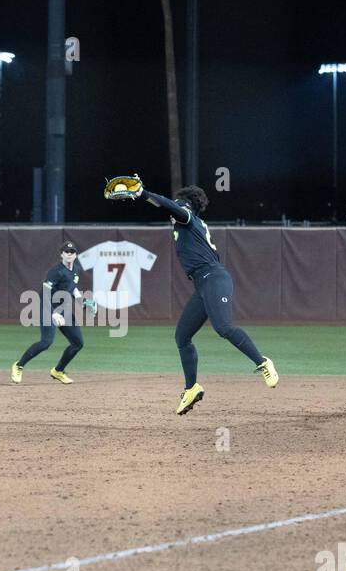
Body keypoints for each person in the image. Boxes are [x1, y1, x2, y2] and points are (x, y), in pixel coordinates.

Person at [104, 175, 277, 414]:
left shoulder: (188, 218)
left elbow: (172, 207)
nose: (175, 208)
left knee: (223, 328)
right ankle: (192, 388)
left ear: (187, 205)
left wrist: (144, 193)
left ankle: (262, 362)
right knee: (182, 336)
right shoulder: (186, 224)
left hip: (214, 278)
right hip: (202, 284)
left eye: (180, 204)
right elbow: (171, 208)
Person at [11, 240, 94, 384]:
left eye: (72, 252)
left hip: (62, 309)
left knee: (77, 343)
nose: (69, 254)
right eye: (66, 252)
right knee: (46, 342)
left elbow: (72, 288)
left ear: (76, 255)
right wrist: (53, 313)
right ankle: (18, 366)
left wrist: (84, 302)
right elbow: (45, 293)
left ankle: (58, 371)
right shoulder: (56, 272)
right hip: (46, 307)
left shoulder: (75, 269)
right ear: (61, 254)